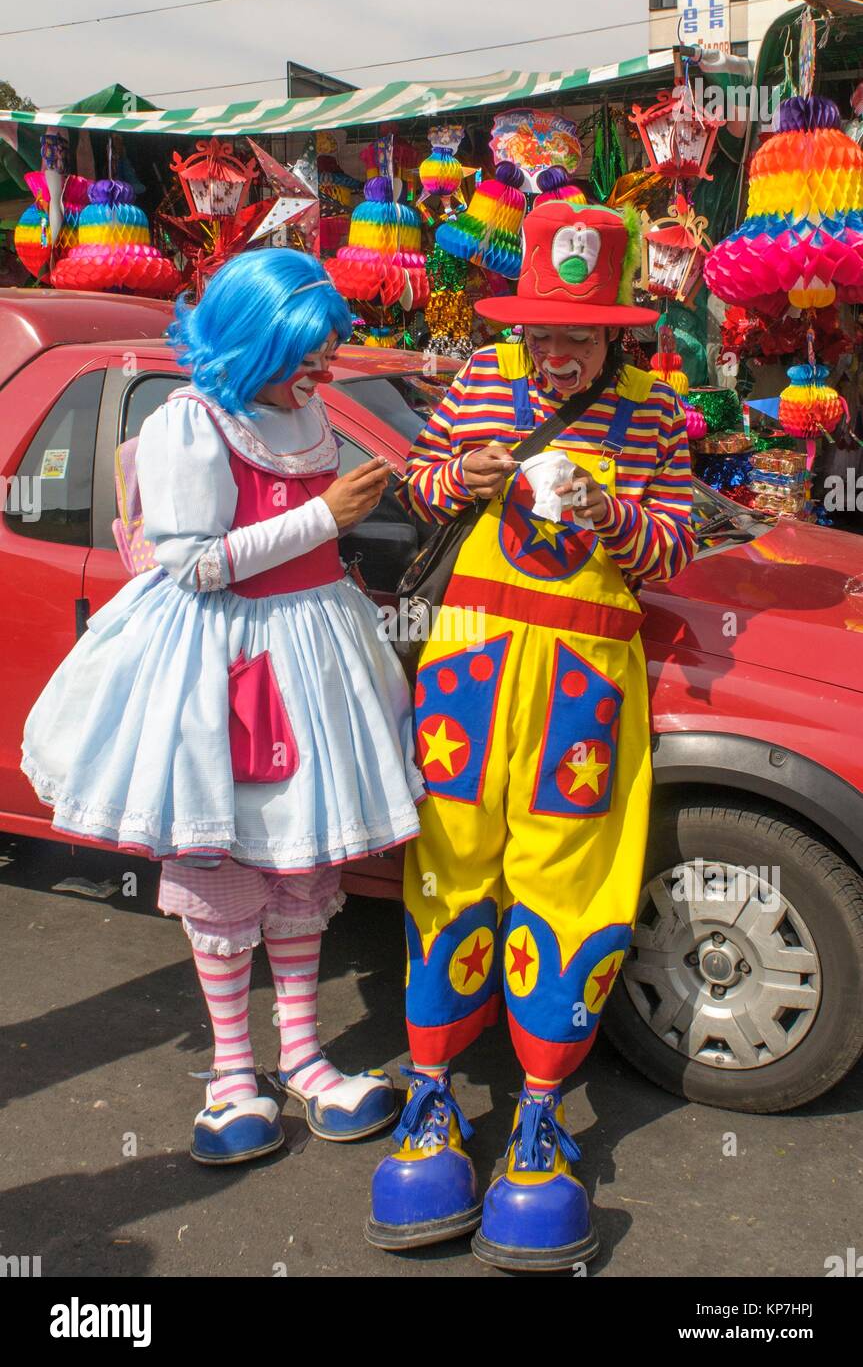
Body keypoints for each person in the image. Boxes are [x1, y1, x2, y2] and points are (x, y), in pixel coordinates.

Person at [21, 248, 426, 1164]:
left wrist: (332, 527)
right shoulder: (189, 424)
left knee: (297, 872)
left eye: (327, 348)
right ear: (256, 340)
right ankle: (233, 1077)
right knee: (224, 868)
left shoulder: (306, 408)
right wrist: (326, 518)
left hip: (315, 657)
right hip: (226, 671)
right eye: (309, 350)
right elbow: (193, 563)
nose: (324, 367)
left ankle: (305, 1061)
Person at [367, 200, 695, 1269]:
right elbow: (416, 482)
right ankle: (429, 1096)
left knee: (568, 877)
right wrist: (450, 479)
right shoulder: (475, 383)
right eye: (542, 333)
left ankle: (541, 1117)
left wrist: (613, 519)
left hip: (584, 679)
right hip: (469, 661)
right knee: (447, 864)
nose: (554, 354)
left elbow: (675, 550)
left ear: (613, 332)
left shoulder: (653, 413)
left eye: (578, 335)